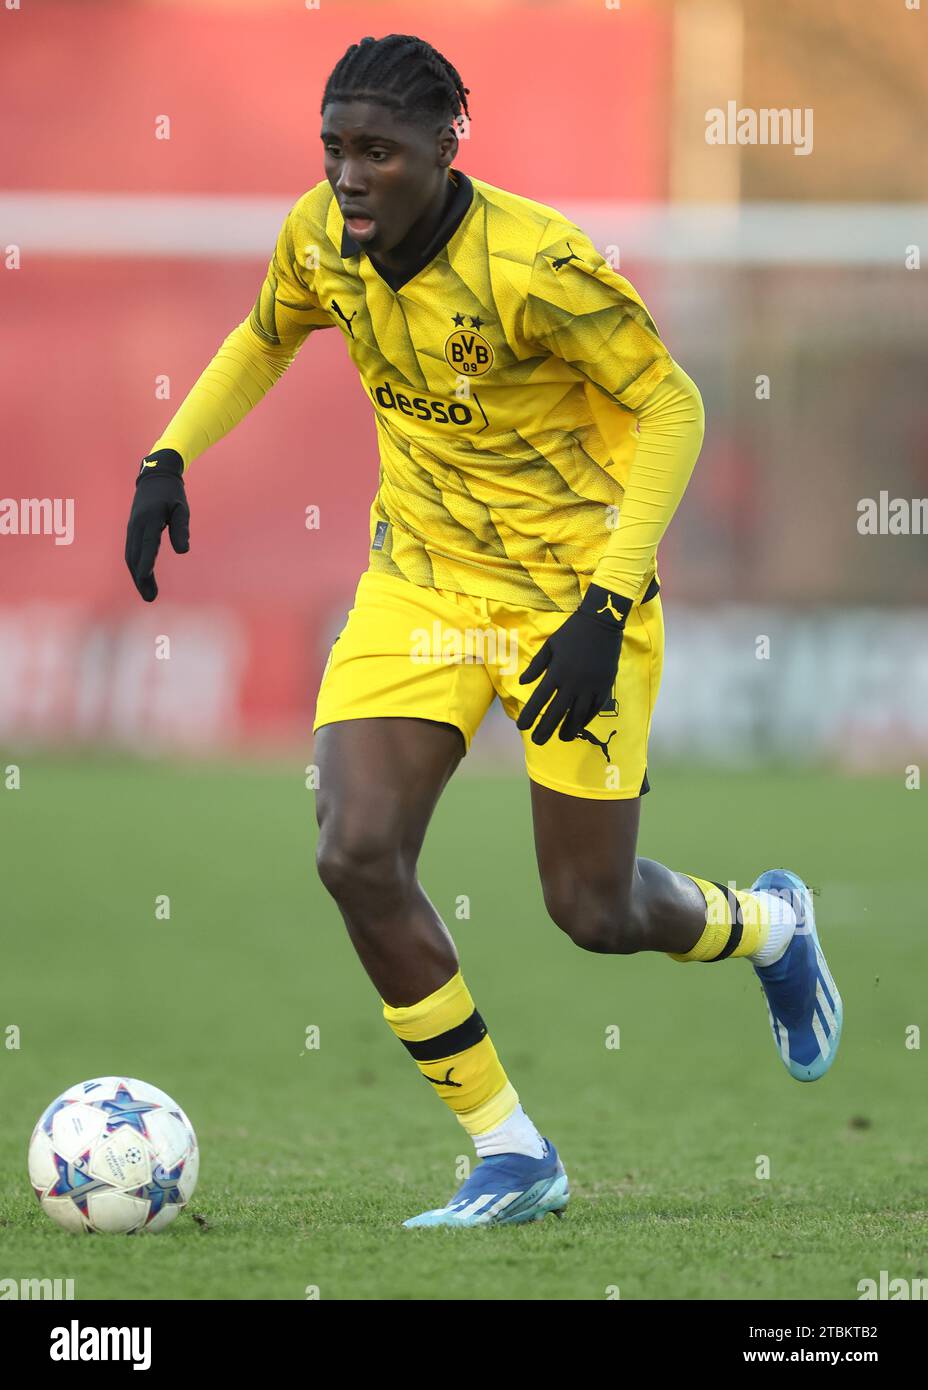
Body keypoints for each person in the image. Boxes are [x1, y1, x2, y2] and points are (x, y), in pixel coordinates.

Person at [125, 33, 843, 1228]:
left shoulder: (539, 265)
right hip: (420, 588)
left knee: (593, 913)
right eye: (336, 149)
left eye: (378, 153)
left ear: (446, 148)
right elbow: (263, 335)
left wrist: (608, 603)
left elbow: (671, 402)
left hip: (574, 601)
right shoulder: (319, 236)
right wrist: (168, 452)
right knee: (353, 851)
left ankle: (767, 925)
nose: (350, 176)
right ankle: (511, 1150)